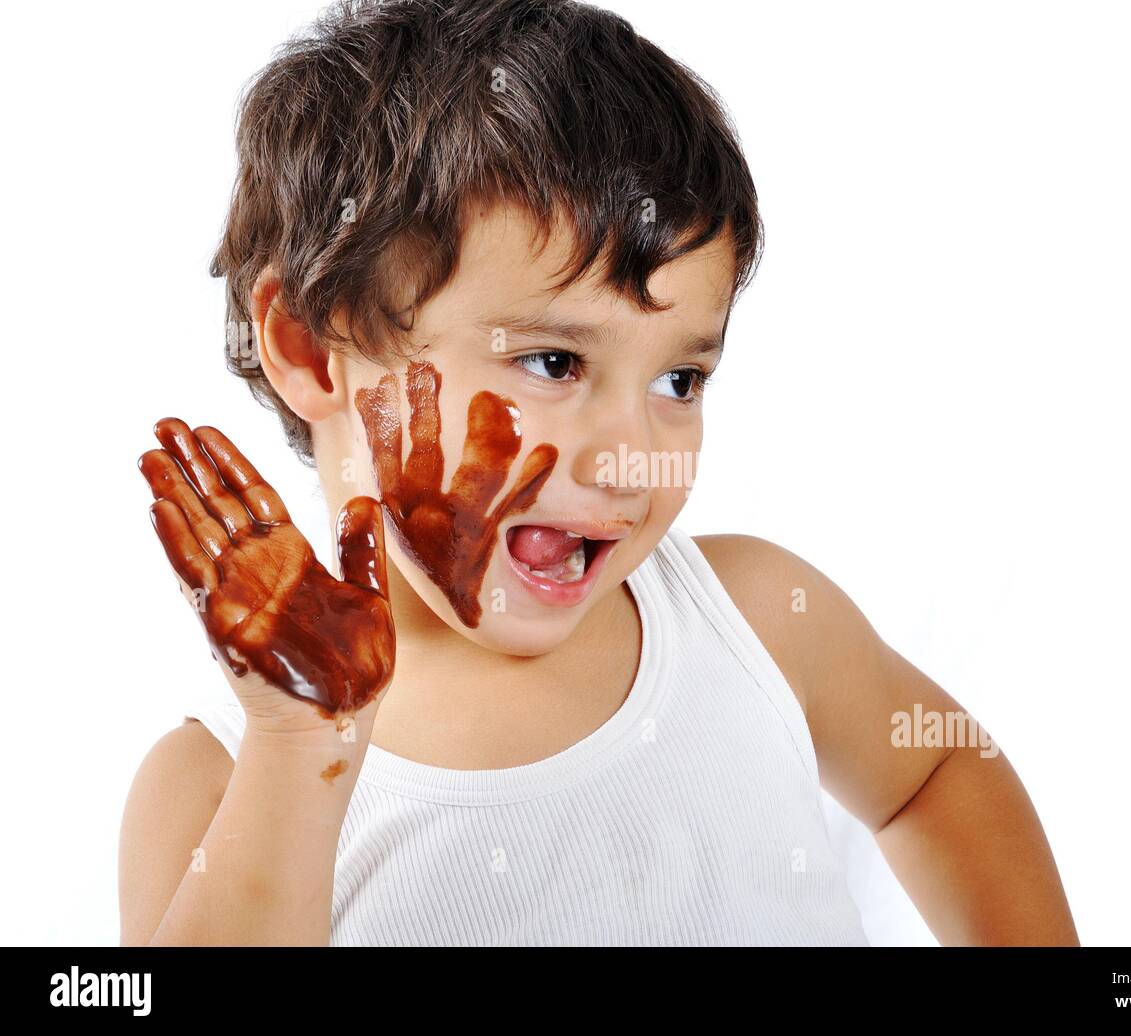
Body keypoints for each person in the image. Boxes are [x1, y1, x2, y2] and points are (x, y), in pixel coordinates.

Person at [118, 0, 1078, 946]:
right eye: (552, 363)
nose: (635, 455)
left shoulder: (754, 623)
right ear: (312, 347)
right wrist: (302, 759)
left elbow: (935, 773)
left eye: (679, 378)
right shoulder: (219, 785)